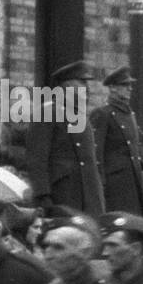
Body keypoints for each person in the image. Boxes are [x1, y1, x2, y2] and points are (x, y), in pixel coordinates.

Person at [26, 60, 106, 215]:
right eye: (82, 82)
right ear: (67, 86)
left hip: (89, 199)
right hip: (63, 196)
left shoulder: (81, 116)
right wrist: (43, 195)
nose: (87, 88)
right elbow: (37, 159)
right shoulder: (48, 112)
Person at [91, 65, 143, 218]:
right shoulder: (103, 114)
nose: (129, 89)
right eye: (124, 85)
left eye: (130, 85)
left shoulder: (129, 114)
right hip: (114, 184)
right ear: (112, 88)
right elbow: (96, 153)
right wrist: (100, 185)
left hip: (132, 180)